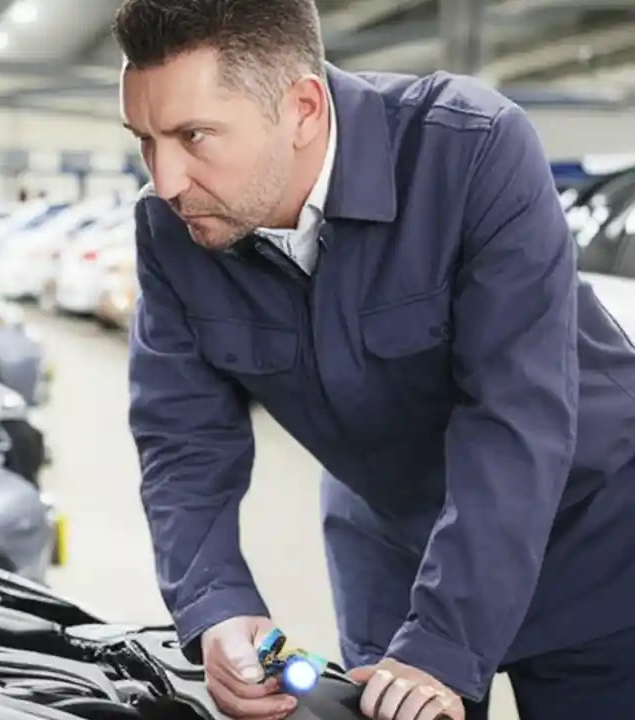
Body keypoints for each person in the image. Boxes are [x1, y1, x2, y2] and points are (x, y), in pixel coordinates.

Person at [115, 1, 635, 719]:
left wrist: (444, 647)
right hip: (390, 544)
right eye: (144, 139)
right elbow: (182, 439)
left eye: (193, 136)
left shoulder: (470, 150)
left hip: (593, 543)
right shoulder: (169, 229)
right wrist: (215, 604)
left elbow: (514, 416)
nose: (165, 177)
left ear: (301, 109)